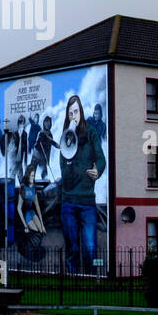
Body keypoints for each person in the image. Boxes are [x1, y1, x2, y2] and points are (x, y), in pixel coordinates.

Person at [58, 94, 106, 274]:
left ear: (82, 112)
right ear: (67, 116)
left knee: (90, 247)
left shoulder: (92, 132)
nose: (74, 117)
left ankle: (91, 279)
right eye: (70, 113)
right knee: (72, 249)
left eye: (76, 112)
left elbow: (101, 158)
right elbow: (65, 175)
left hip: (87, 202)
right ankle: (74, 280)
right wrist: (69, 158)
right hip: (69, 202)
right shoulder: (65, 138)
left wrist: (98, 170)